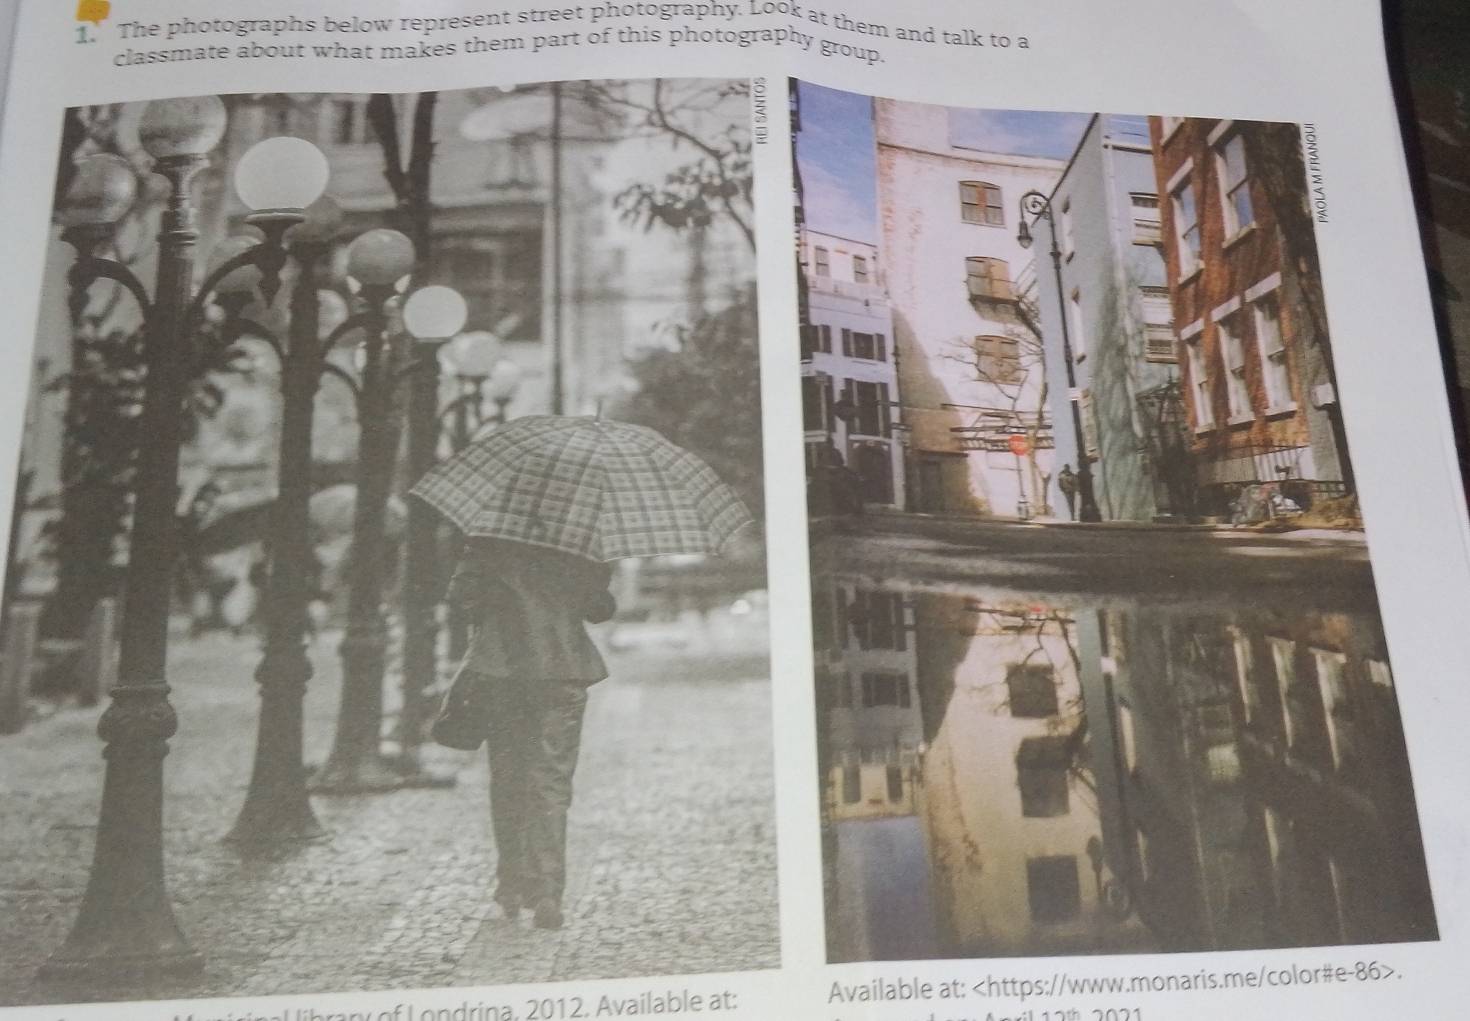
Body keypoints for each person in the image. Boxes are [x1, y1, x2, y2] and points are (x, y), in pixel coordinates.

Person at [432, 536, 616, 931]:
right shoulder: (584, 538)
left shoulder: (491, 535)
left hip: (503, 670)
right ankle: (548, 891)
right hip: (563, 671)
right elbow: (599, 609)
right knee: (551, 780)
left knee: (508, 776)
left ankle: (511, 884)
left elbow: (461, 595)